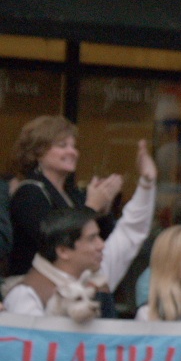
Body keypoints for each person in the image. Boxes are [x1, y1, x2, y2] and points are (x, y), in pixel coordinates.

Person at [3, 141, 157, 320]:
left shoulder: (97, 276)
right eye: (92, 239)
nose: (101, 245)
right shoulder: (26, 296)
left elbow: (130, 231)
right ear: (63, 251)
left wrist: (147, 183)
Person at [7, 115, 122, 278]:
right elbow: (55, 245)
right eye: (62, 145)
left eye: (74, 146)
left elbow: (101, 243)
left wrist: (104, 208)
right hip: (38, 288)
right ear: (38, 152)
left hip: (73, 285)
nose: (72, 152)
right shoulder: (29, 193)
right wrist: (92, 207)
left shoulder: (73, 193)